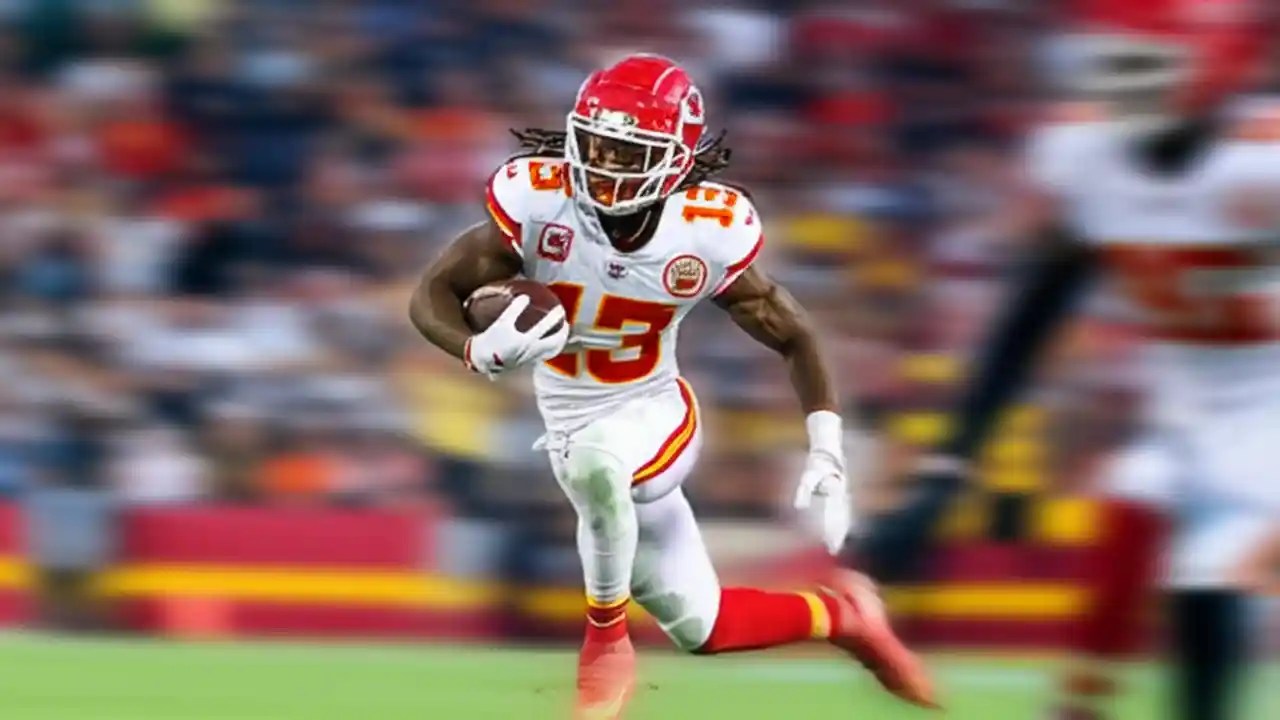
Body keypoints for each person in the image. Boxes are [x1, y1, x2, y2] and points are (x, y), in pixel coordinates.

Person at [409, 54, 934, 719]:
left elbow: (793, 335)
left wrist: (826, 447)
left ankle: (604, 646)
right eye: (596, 144)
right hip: (569, 425)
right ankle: (845, 614)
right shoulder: (539, 201)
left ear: (675, 160)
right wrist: (473, 347)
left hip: (653, 411)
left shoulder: (703, 233)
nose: (603, 164)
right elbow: (433, 292)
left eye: (628, 153)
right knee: (703, 627)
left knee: (601, 464)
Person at [845, 2, 1279, 719]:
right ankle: (1082, 703)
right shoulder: (1090, 158)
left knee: (1207, 570)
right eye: (1110, 58)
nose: (1114, 82)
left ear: (1212, 65)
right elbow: (1029, 322)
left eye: (1138, 62)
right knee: (1136, 492)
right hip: (1189, 414)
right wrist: (943, 478)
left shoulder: (1259, 162)